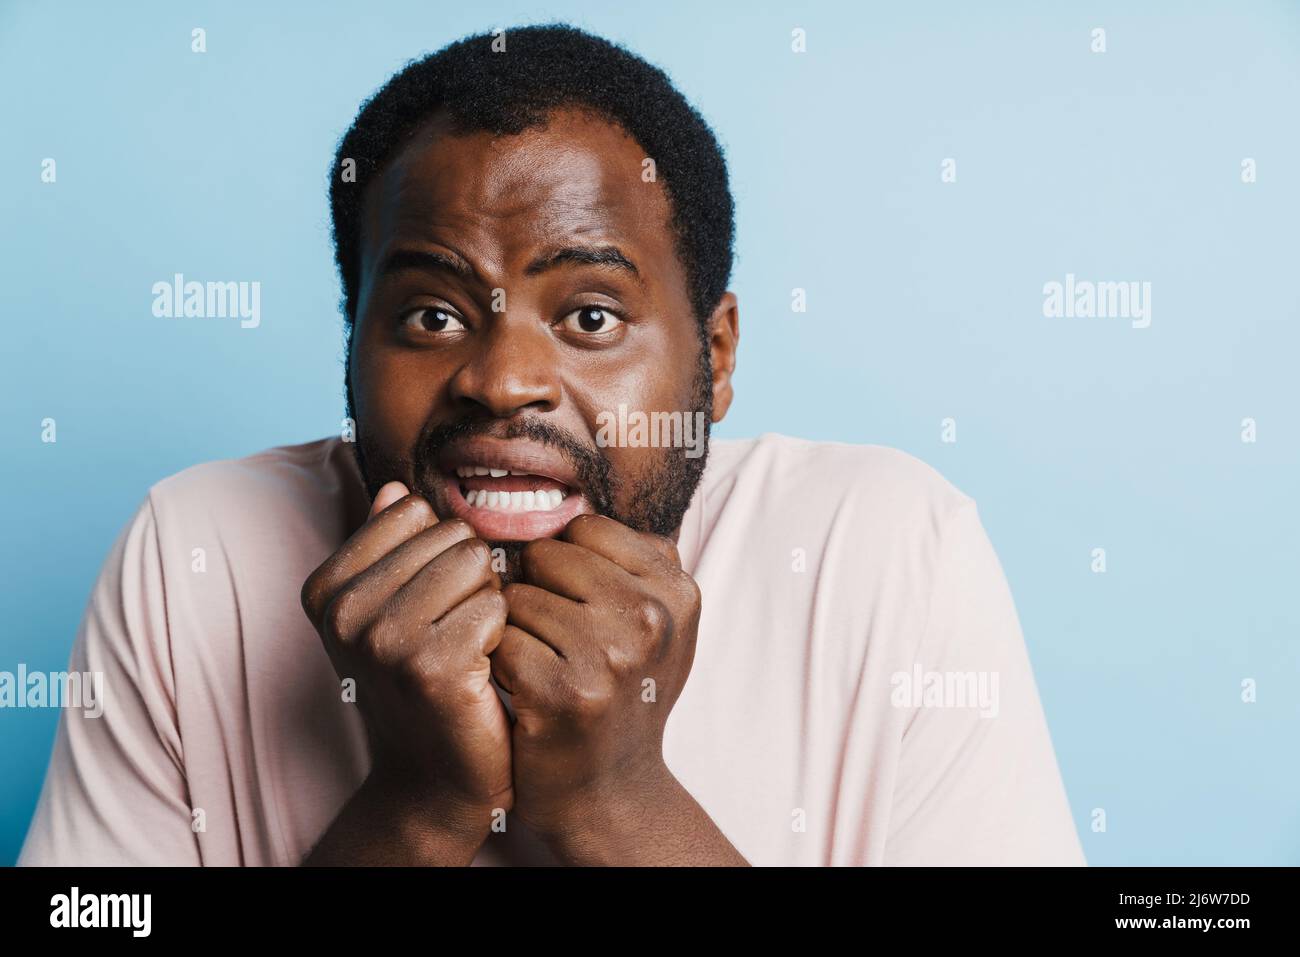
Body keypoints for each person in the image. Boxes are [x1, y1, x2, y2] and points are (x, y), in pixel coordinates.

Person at [19, 23, 1084, 866]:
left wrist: (616, 805)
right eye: (432, 316)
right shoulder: (194, 550)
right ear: (352, 345)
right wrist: (419, 810)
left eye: (589, 318)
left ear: (713, 357)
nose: (501, 380)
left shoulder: (887, 548)